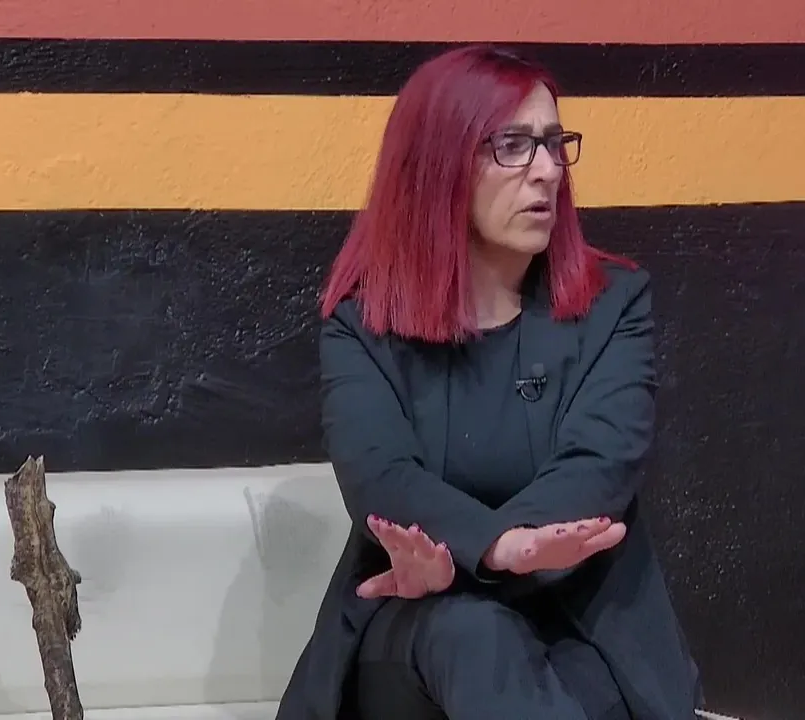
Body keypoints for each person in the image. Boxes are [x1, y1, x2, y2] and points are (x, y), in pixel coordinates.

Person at [275, 45, 702, 720]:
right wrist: (498, 549)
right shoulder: (362, 324)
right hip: (420, 628)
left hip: (581, 624)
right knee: (474, 634)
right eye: (513, 145)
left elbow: (598, 466)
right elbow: (381, 475)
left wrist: (475, 558)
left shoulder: (616, 304)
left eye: (553, 143)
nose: (548, 170)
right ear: (439, 164)